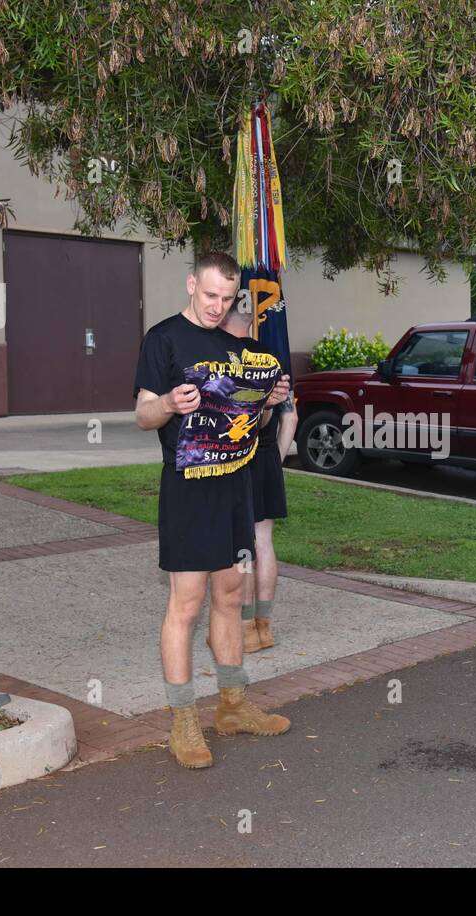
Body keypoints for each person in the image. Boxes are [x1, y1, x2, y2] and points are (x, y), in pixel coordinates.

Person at [133, 251, 293, 770]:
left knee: (229, 595)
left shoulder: (239, 347)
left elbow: (248, 419)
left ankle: (232, 704)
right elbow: (141, 413)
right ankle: (182, 722)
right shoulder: (163, 339)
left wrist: (269, 403)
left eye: (227, 299)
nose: (217, 308)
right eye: (209, 296)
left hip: (235, 487)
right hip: (187, 489)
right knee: (185, 603)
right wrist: (168, 406)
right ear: (190, 285)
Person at [219, 308, 298, 653]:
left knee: (242, 545)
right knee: (263, 540)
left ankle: (246, 627)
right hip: (266, 457)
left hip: (237, 459)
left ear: (224, 320)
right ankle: (264, 628)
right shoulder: (271, 360)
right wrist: (276, 458)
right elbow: (291, 417)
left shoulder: (222, 359)